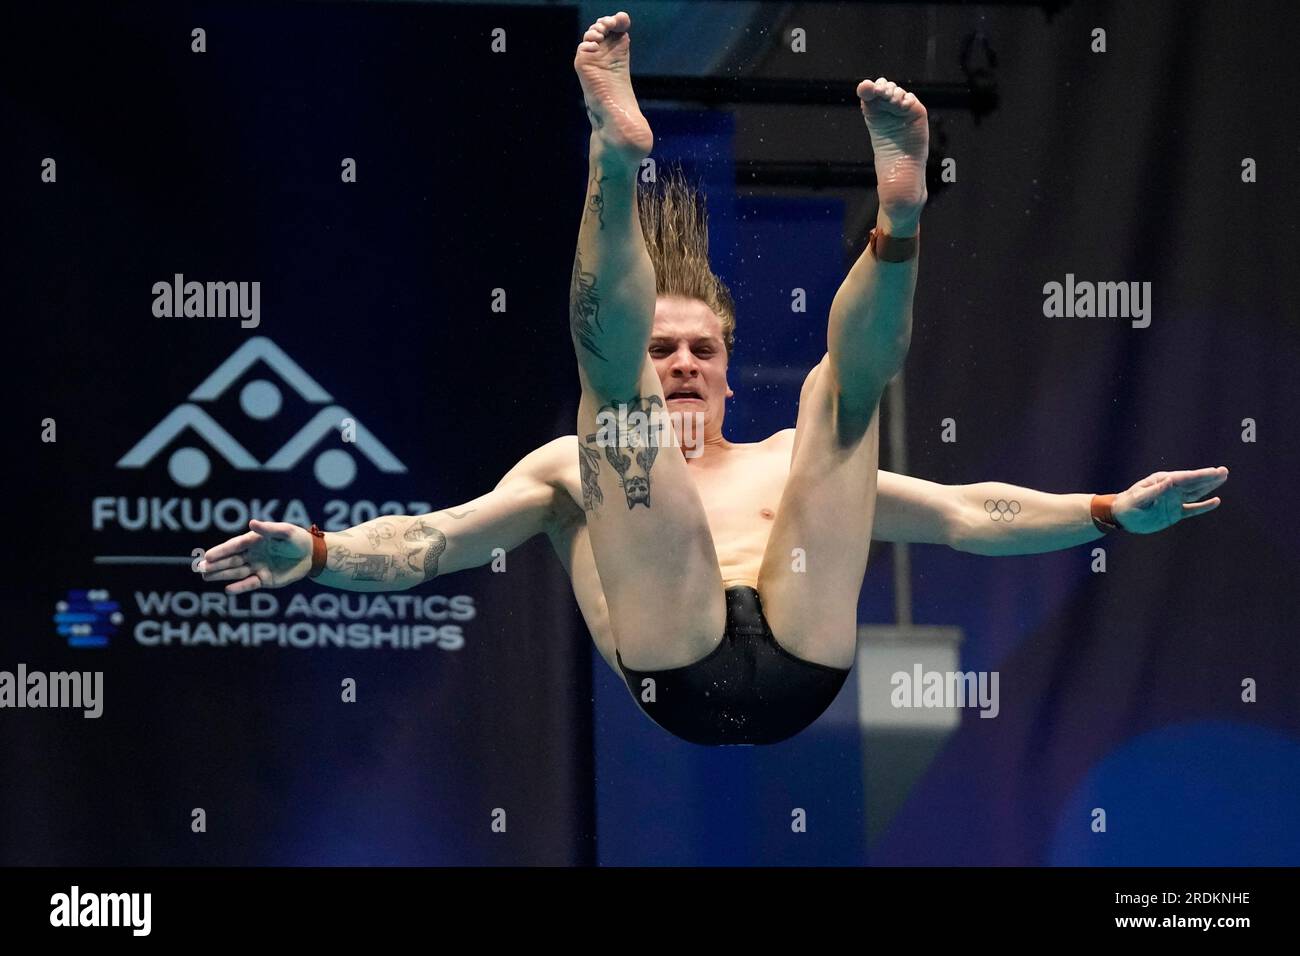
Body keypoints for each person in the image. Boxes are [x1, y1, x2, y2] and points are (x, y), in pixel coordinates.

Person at [197, 12, 1229, 745]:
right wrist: (321, 553)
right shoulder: (565, 469)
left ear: (731, 374)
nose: (685, 362)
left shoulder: (784, 465)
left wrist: (1108, 511)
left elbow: (970, 514)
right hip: (676, 669)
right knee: (618, 423)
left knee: (836, 405)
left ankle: (899, 218)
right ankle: (614, 160)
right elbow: (430, 543)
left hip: (803, 662)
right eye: (664, 348)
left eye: (703, 350)